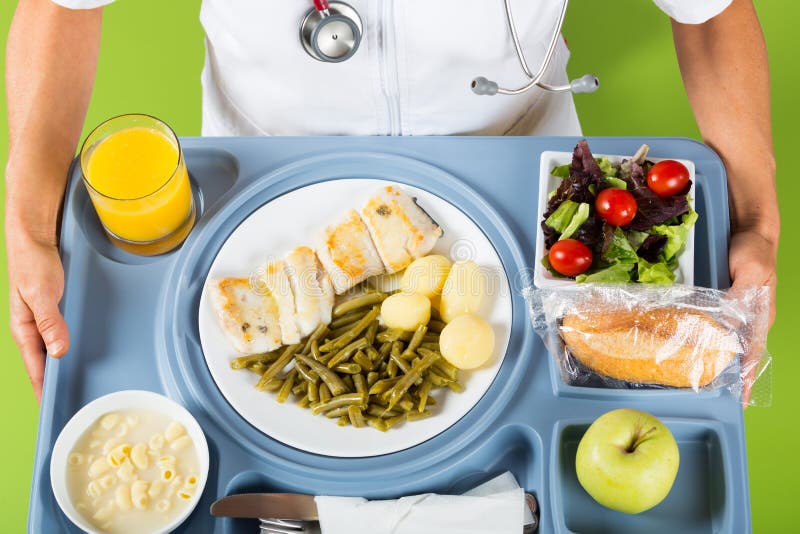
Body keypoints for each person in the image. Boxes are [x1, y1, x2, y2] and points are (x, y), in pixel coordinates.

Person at [5, 0, 778, 401]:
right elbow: (64, 6)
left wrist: (756, 222)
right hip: (258, 180)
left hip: (519, 171)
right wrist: (29, 222)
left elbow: (709, 16)